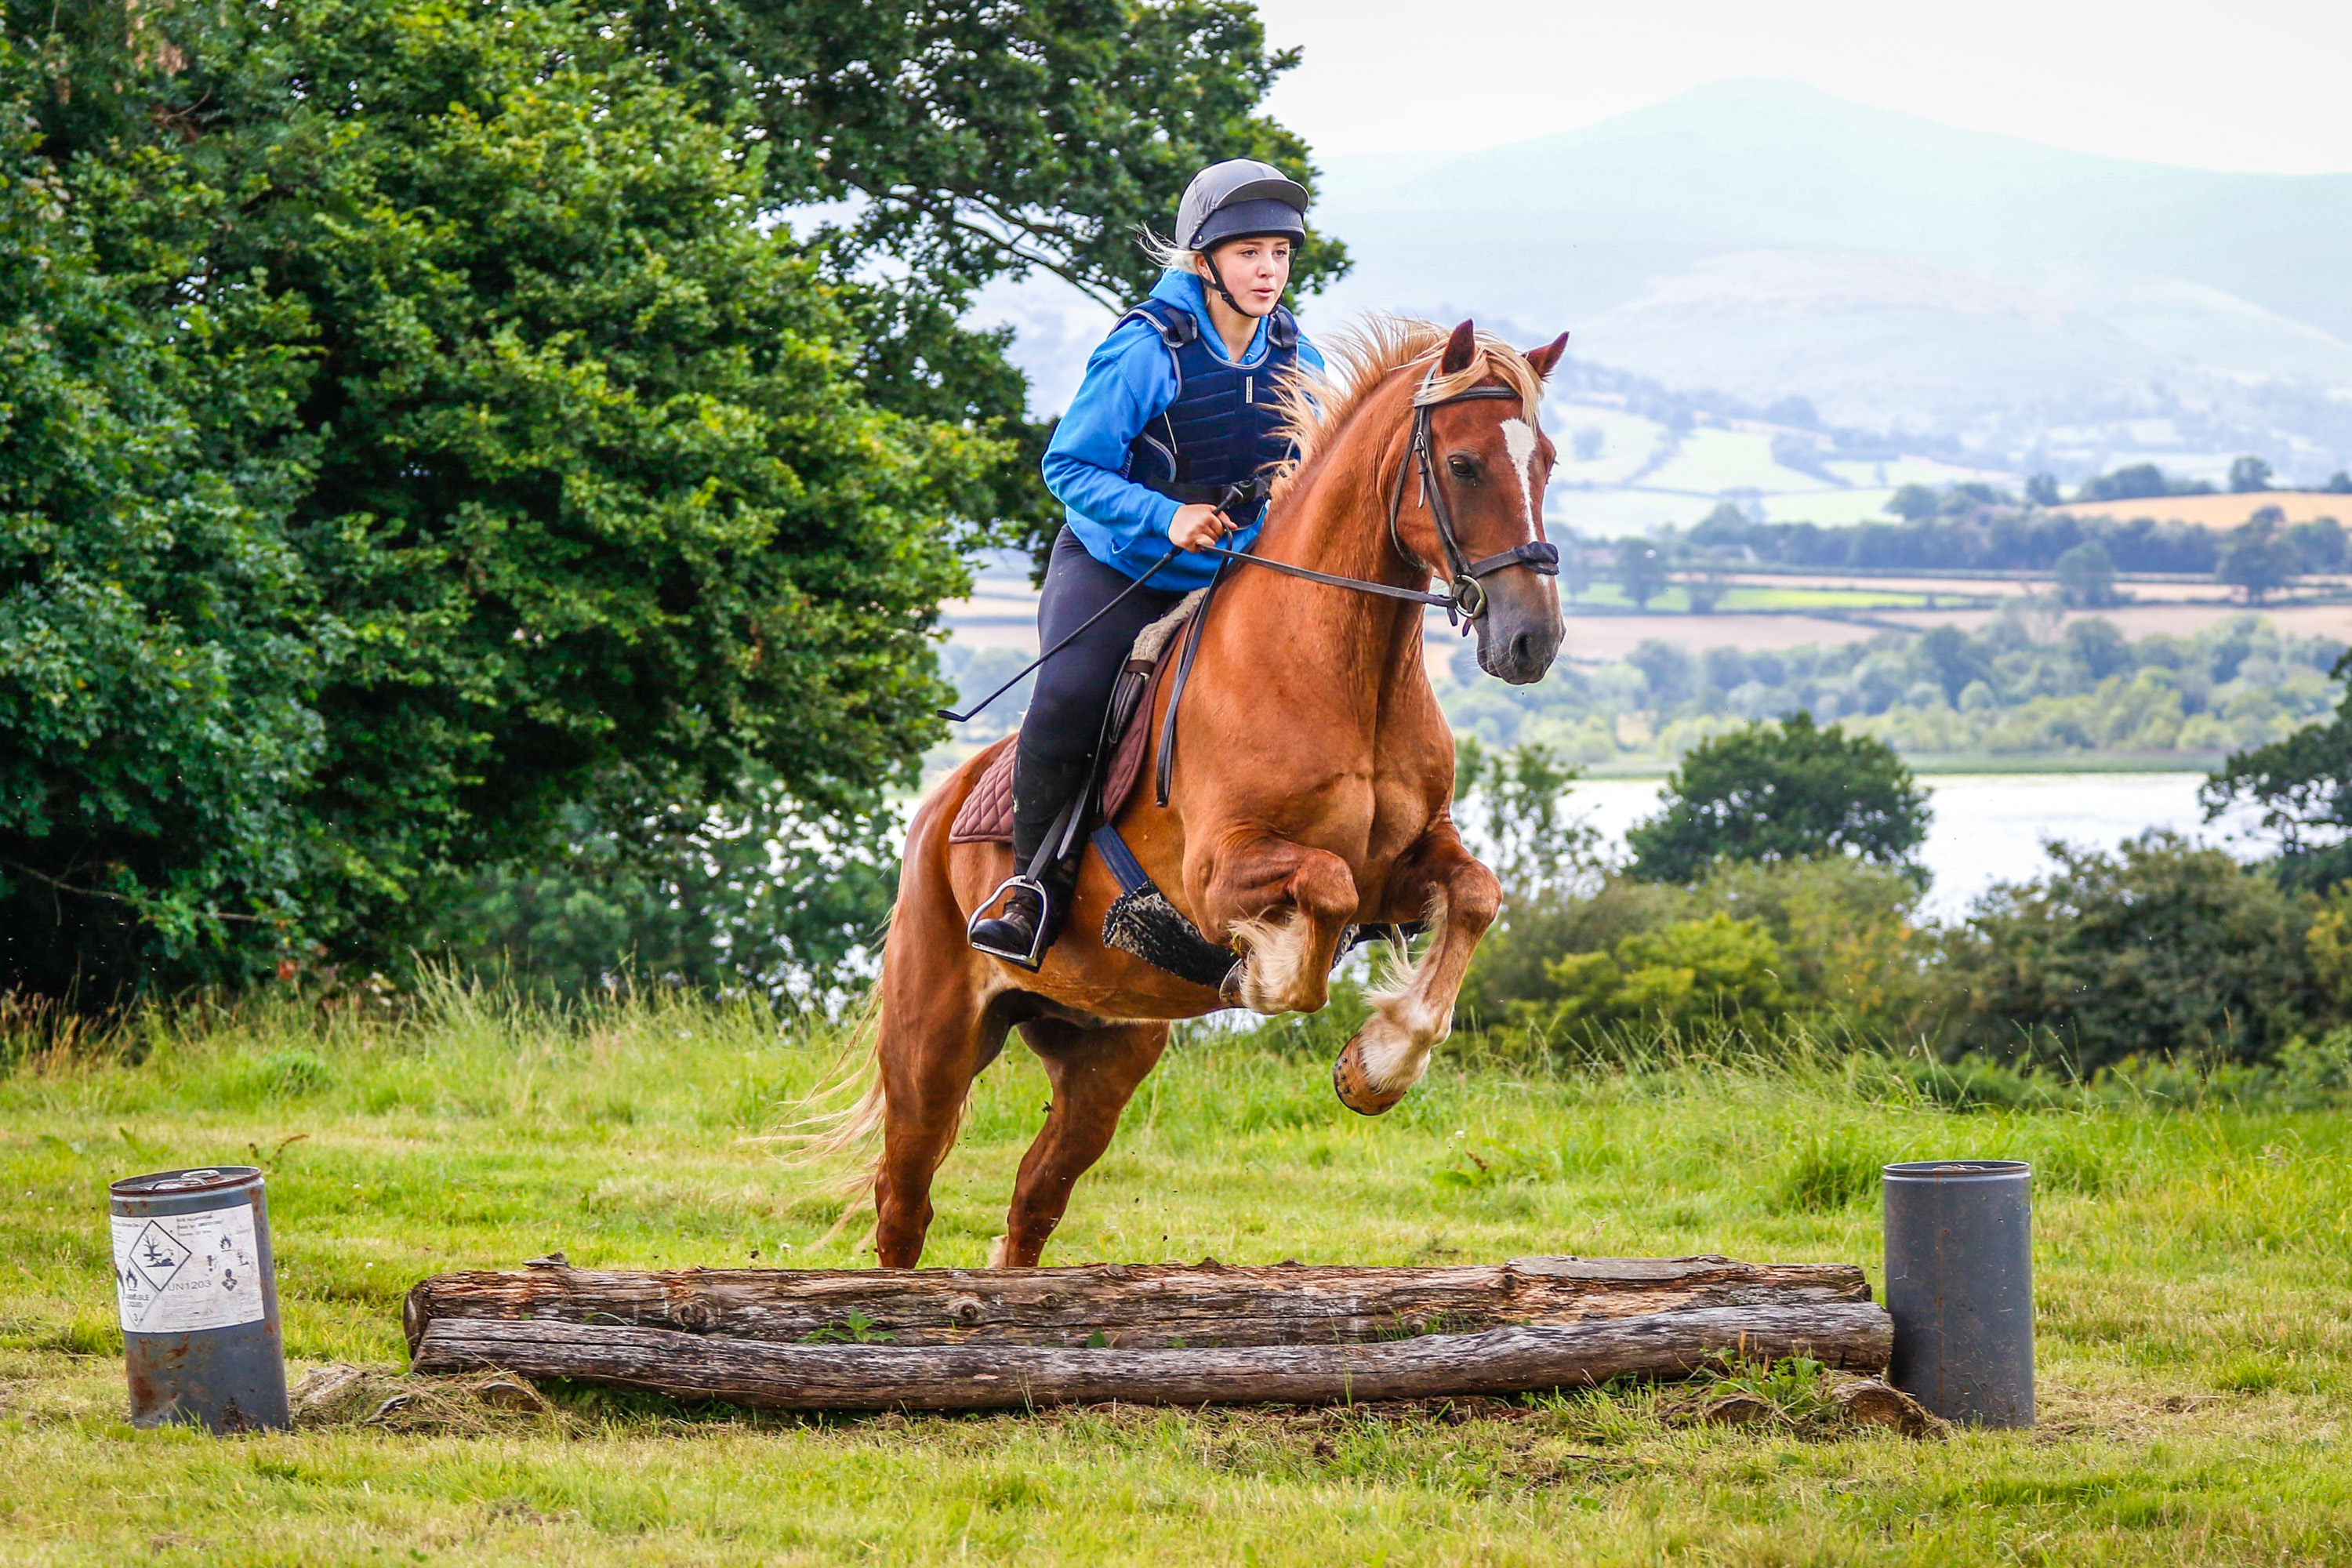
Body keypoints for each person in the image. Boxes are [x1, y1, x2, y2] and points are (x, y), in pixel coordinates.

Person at [967, 158, 1327, 967]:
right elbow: (1068, 468)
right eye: (1248, 253)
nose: (1268, 269)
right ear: (1204, 262)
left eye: (1279, 252)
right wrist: (1168, 516)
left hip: (1238, 576)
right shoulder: (1142, 351)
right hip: (1119, 567)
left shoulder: (1302, 359)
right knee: (1068, 694)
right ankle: (1030, 886)